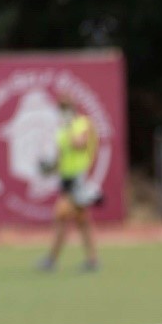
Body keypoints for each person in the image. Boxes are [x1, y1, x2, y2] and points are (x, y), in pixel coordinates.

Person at [35, 97, 100, 273]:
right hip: (65, 179)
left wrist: (71, 127)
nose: (61, 115)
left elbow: (80, 144)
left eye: (64, 110)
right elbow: (60, 157)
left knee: (61, 215)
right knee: (82, 222)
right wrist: (48, 168)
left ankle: (51, 259)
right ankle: (92, 260)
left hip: (78, 179)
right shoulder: (61, 130)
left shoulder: (81, 123)